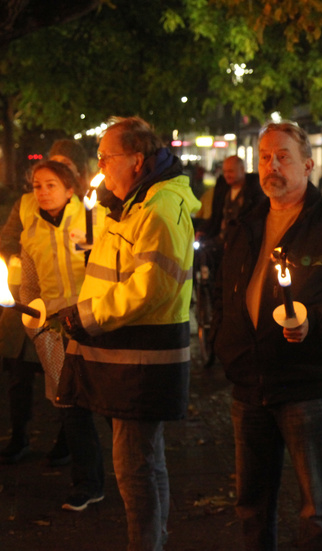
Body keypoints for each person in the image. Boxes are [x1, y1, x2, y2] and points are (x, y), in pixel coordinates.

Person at [212, 121, 322, 550]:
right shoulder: (247, 221)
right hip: (249, 380)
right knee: (251, 503)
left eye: (283, 157)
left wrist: (313, 320)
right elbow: (228, 289)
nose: (271, 166)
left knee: (316, 507)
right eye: (264, 158)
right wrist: (224, 343)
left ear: (308, 165)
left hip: (306, 383)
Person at [55, 116, 200, 549]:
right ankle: (153, 540)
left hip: (142, 364)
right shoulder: (135, 205)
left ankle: (146, 543)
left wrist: (87, 316)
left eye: (105, 156)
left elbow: (151, 286)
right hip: (131, 360)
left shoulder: (156, 209)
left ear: (136, 160)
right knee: (144, 463)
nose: (99, 165)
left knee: (133, 467)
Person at [19, 160, 105, 510]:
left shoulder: (93, 221)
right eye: (38, 185)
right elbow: (29, 284)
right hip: (52, 329)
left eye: (51, 184)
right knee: (69, 406)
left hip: (94, 322)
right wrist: (34, 325)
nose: (42, 191)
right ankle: (87, 483)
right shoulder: (31, 232)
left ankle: (133, 477)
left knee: (110, 402)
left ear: (71, 190)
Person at [0, 139, 92, 466]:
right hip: (30, 308)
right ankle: (19, 435)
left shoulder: (86, 213)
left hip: (76, 313)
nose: (44, 189)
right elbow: (13, 241)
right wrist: (22, 271)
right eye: (39, 182)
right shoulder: (26, 206)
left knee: (74, 385)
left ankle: (70, 443)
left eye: (57, 176)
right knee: (21, 373)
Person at [196, 155, 262, 247]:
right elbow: (216, 216)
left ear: (242, 170)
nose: (227, 175)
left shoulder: (254, 192)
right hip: (220, 241)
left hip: (241, 244)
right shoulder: (223, 190)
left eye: (230, 171)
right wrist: (203, 229)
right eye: (225, 172)